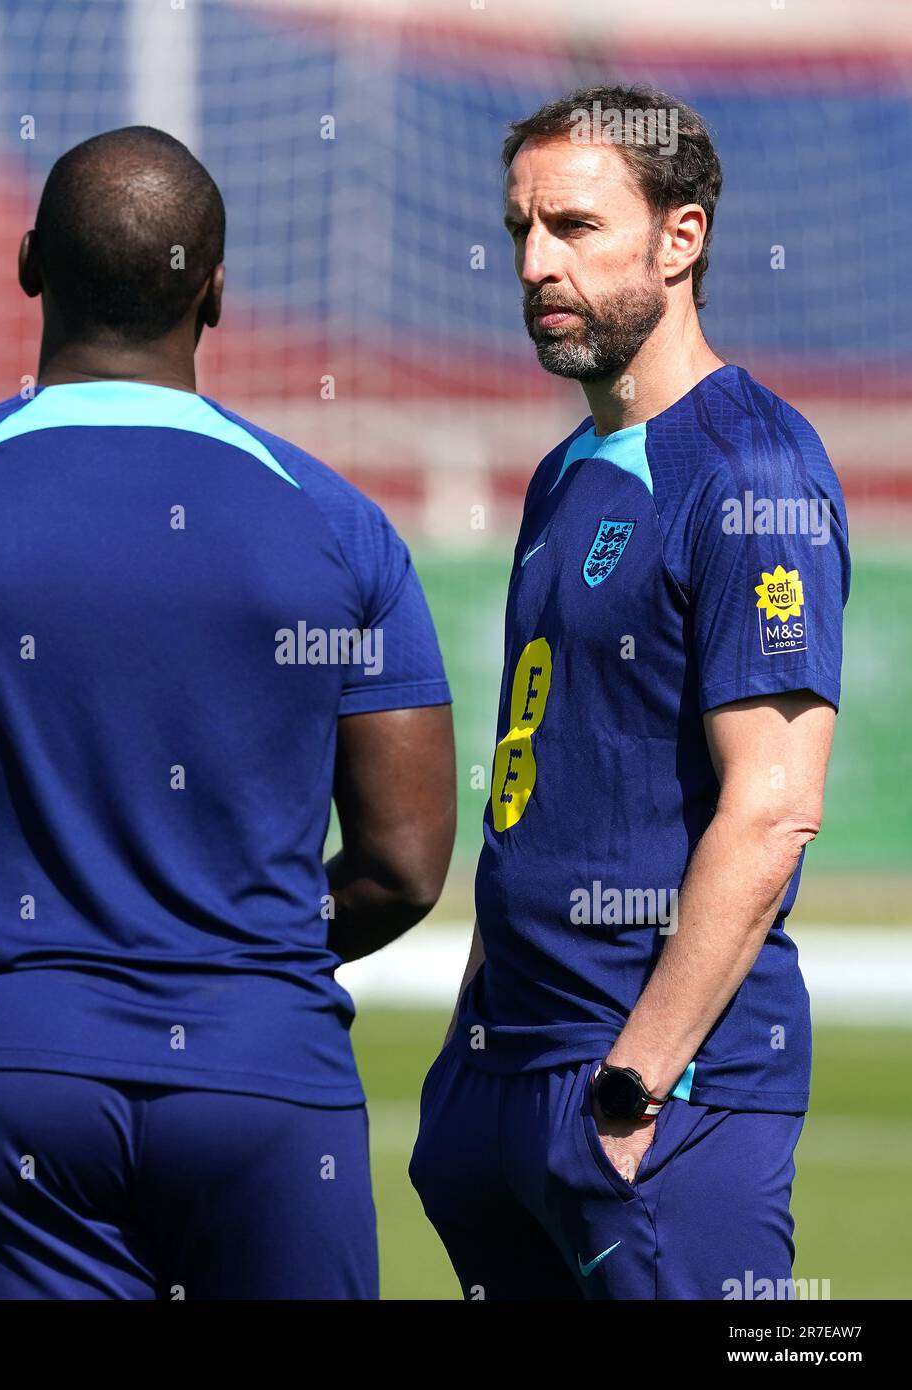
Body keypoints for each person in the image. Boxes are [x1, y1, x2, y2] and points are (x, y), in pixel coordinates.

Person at [0, 126, 456, 1300]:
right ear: (215, 287)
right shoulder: (340, 526)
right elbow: (405, 866)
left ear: (28, 265)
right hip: (270, 1088)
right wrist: (234, 964)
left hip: (10, 1091)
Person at [410, 84, 849, 1300]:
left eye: (574, 227)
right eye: (519, 231)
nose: (534, 263)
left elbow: (770, 810)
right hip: (510, 1079)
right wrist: (470, 1060)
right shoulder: (562, 472)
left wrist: (628, 1085)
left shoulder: (747, 466)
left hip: (658, 1095)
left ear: (680, 237)